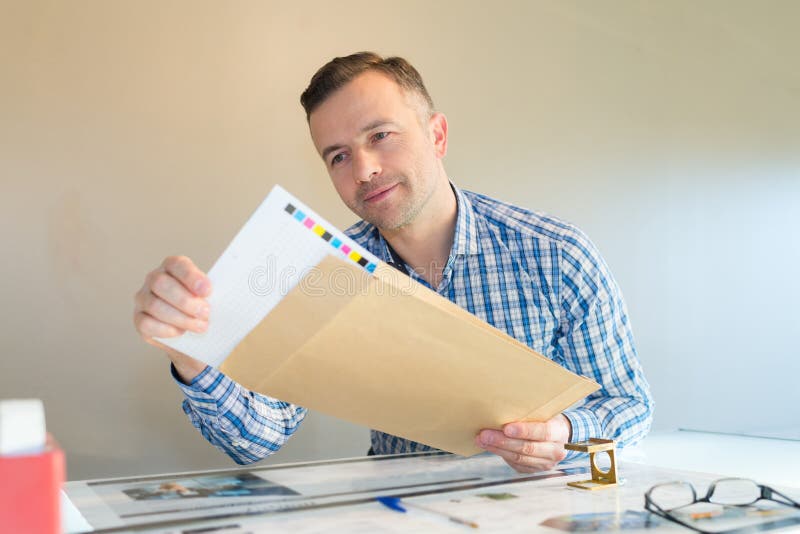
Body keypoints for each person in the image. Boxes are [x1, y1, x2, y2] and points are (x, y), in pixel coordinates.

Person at [133, 52, 653, 473]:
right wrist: (190, 352)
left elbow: (629, 408)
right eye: (338, 156)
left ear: (437, 135)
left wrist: (563, 432)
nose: (363, 169)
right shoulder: (322, 277)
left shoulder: (556, 254)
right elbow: (257, 438)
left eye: (380, 135)